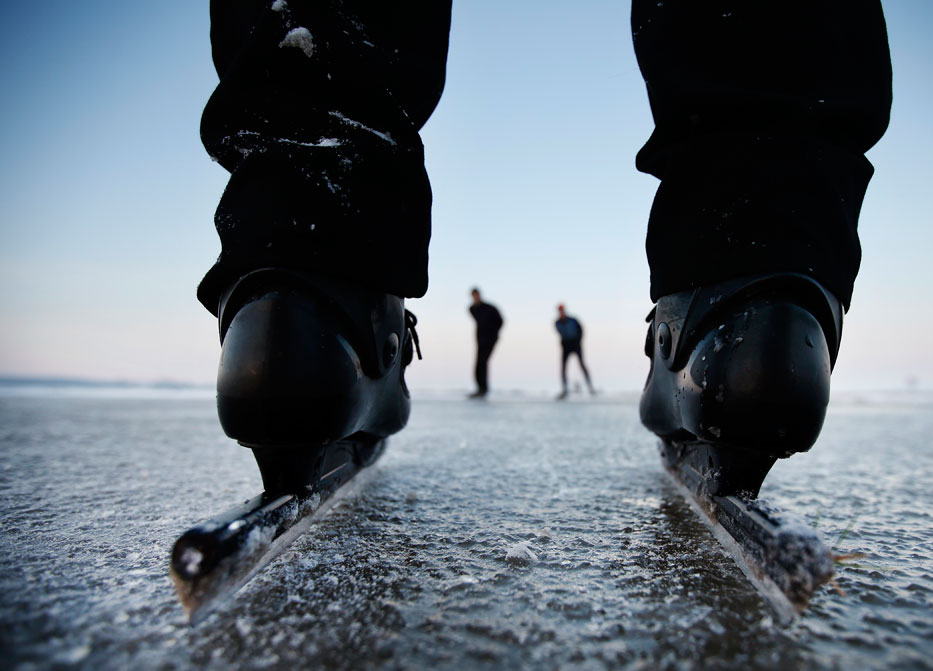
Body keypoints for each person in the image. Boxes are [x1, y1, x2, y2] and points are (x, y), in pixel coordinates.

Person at [198, 2, 891, 496]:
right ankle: (748, 285)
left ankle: (310, 274)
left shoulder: (508, 312)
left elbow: (506, 322)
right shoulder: (505, 311)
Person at [467, 288, 503, 398]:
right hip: (480, 340)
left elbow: (500, 321)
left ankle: (483, 389)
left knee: (483, 362)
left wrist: (493, 333)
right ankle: (481, 388)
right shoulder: (472, 309)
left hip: (490, 339)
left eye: (476, 295)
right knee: (479, 363)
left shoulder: (490, 308)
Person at [554, 305, 595, 399]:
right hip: (566, 346)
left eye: (562, 310)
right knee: (563, 367)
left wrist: (578, 341)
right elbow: (560, 333)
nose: (561, 312)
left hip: (576, 344)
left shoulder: (573, 320)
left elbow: (581, 330)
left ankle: (590, 387)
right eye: (560, 311)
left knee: (582, 364)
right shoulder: (557, 323)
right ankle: (564, 389)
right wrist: (563, 343)